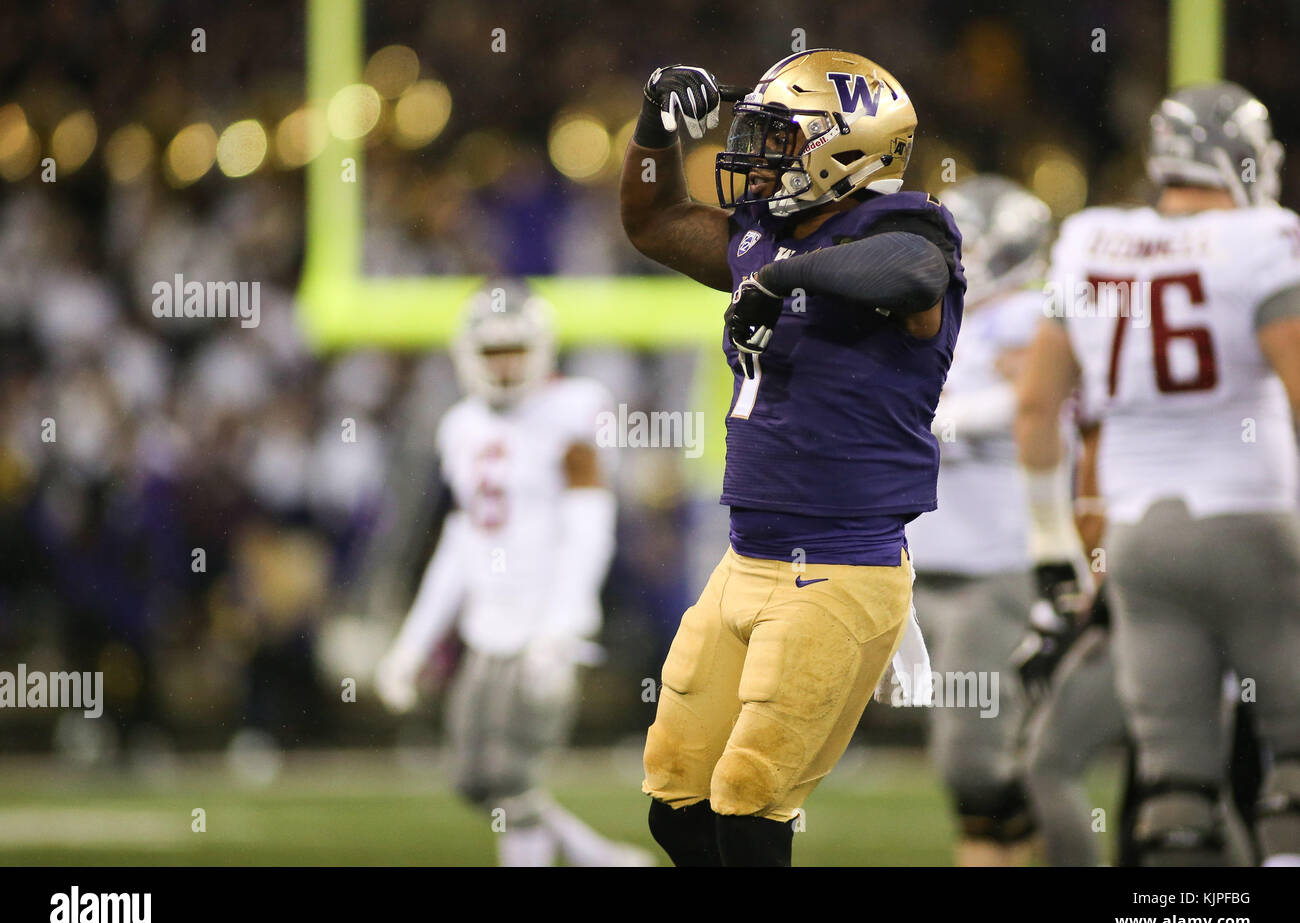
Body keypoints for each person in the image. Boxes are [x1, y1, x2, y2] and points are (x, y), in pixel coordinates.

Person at [621, 49, 965, 866]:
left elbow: (915, 276)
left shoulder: (905, 226)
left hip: (841, 567)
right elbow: (652, 220)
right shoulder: (762, 237)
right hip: (745, 559)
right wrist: (652, 129)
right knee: (677, 800)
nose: (755, 156)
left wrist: (783, 281)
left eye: (779, 139)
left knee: (747, 803)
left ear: (843, 150)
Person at [1015, 83, 1300, 866]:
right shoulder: (1263, 237)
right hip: (1254, 522)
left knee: (1176, 787)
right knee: (1293, 768)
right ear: (1238, 155)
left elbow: (1037, 409)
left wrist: (1051, 550)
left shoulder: (1092, 239)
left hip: (1139, 543)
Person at [374, 283, 652, 867]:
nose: (504, 365)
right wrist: (413, 643)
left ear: (544, 348)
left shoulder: (574, 407)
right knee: (476, 780)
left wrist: (564, 626)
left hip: (543, 626)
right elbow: (461, 543)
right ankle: (598, 857)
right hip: (487, 628)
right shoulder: (459, 426)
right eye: (492, 351)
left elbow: (589, 526)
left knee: (511, 772)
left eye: (516, 349)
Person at [906, 174, 1050, 865]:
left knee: (976, 758)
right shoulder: (940, 315)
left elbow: (1035, 400)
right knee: (970, 767)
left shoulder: (1024, 316)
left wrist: (935, 420)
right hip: (918, 562)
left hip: (992, 563)